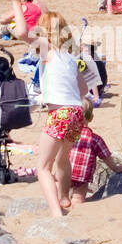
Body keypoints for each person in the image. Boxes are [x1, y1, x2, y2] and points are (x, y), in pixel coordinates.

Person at [30, 12, 90, 216]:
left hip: (60, 113)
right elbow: (83, 90)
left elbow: (21, 32)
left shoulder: (48, 50)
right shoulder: (71, 58)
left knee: (43, 167)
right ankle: (64, 197)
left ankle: (57, 213)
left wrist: (15, 0)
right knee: (63, 159)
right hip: (76, 112)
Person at [68, 100, 122, 205]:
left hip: (65, 170)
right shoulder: (94, 139)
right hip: (81, 175)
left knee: (62, 194)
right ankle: (75, 212)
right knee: (78, 197)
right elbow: (106, 156)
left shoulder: (67, 134)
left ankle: (61, 210)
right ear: (91, 117)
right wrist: (116, 168)